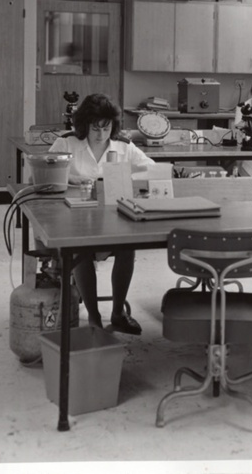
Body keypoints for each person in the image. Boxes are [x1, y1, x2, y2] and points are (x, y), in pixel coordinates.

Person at [49, 93, 155, 334]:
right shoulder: (66, 144)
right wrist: (71, 178)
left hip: (114, 220)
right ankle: (94, 316)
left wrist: (129, 177)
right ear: (84, 124)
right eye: (95, 128)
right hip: (76, 222)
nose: (100, 135)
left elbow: (151, 169)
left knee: (128, 247)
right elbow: (44, 174)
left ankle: (118, 313)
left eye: (106, 128)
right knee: (81, 249)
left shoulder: (124, 147)